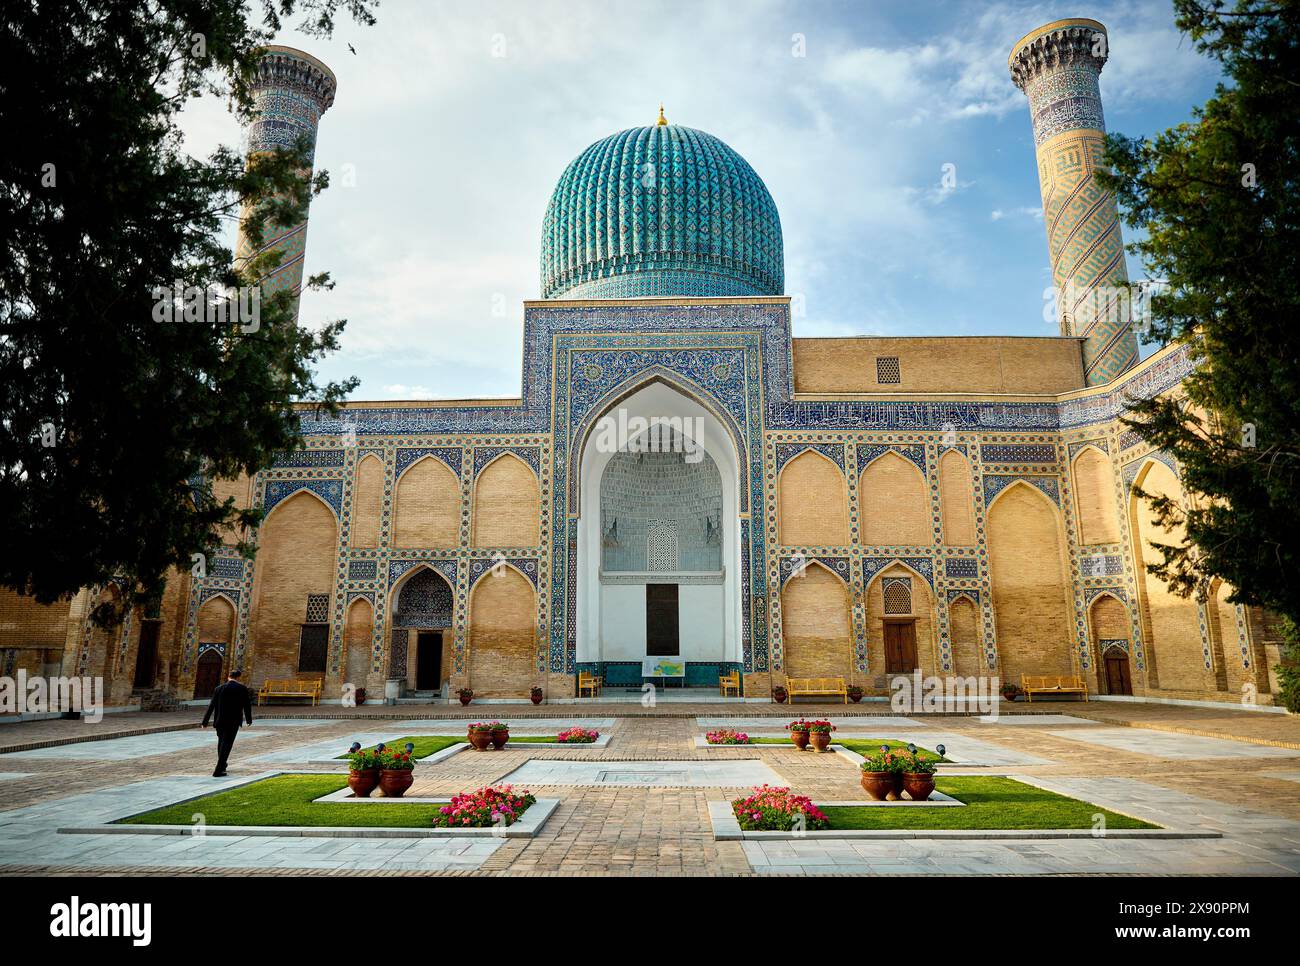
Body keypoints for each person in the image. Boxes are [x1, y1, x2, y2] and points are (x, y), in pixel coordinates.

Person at [201, 669, 253, 777]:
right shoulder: (242, 688)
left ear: (228, 677)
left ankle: (223, 765)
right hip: (233, 721)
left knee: (221, 742)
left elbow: (211, 706)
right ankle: (218, 770)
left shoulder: (219, 688)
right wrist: (248, 719)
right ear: (238, 678)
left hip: (219, 720)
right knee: (227, 743)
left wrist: (205, 721)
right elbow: (246, 705)